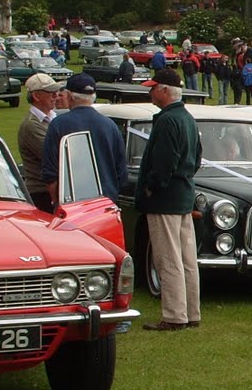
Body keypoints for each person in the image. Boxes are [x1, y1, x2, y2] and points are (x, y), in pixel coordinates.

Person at [137, 68, 203, 331]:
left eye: (153, 88)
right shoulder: (187, 117)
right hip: (183, 195)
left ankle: (175, 315)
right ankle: (191, 311)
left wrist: (154, 186)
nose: (150, 92)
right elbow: (196, 157)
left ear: (165, 90)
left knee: (168, 258)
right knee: (187, 259)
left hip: (166, 198)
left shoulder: (167, 121)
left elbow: (164, 162)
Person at [41, 72, 128, 204]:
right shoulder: (111, 126)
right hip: (106, 203)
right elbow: (121, 173)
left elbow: (50, 174)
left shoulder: (58, 124)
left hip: (73, 204)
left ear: (69, 96)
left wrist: (57, 204)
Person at [17, 72, 63, 212]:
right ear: (37, 96)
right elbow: (56, 156)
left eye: (57, 92)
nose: (56, 96)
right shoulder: (31, 125)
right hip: (41, 193)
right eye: (51, 93)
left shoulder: (52, 118)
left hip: (52, 190)